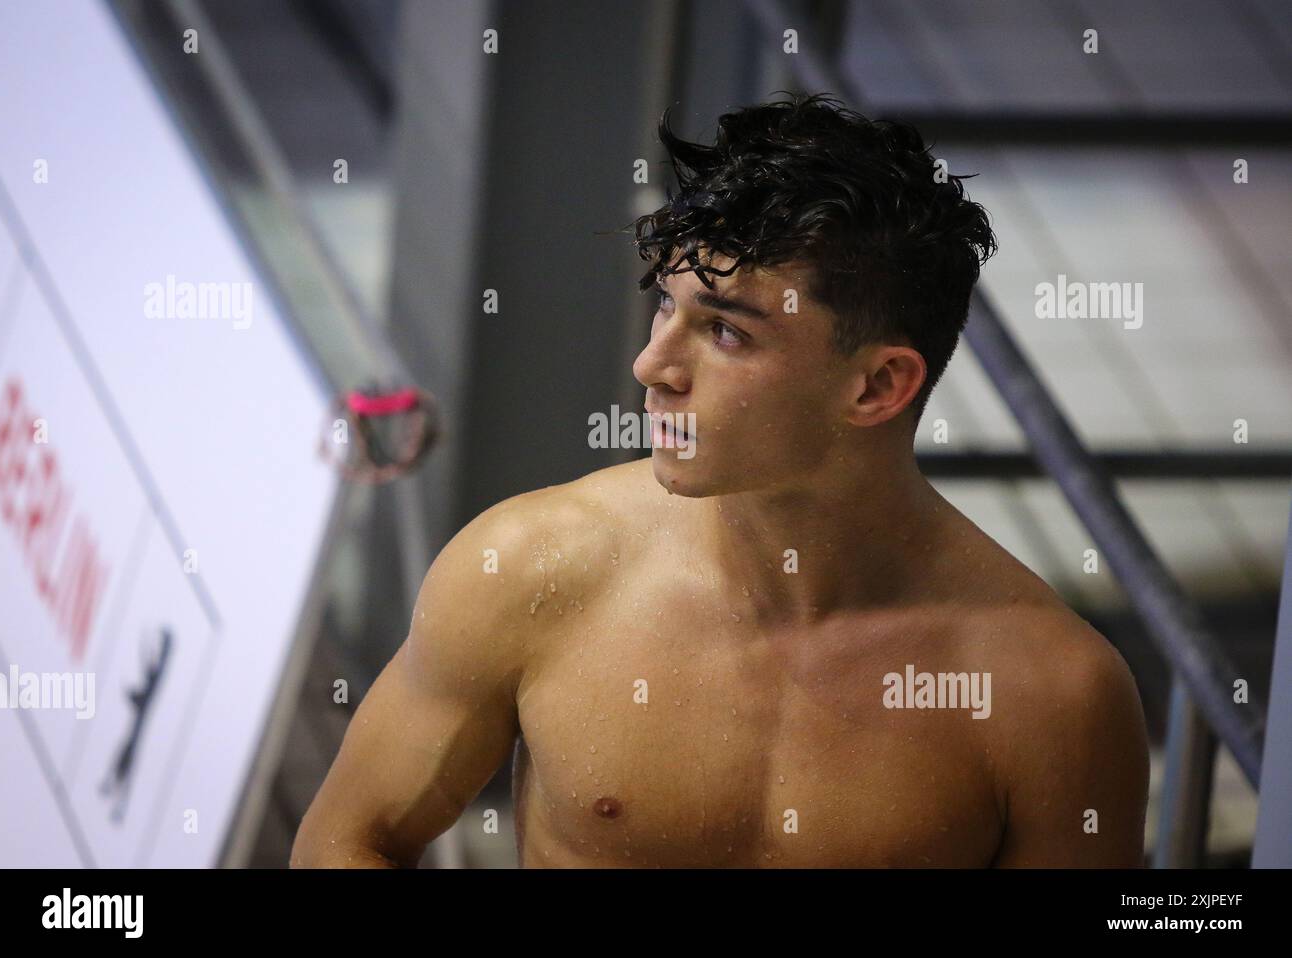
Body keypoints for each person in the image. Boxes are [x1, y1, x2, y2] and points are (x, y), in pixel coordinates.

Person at [291, 92, 1149, 868]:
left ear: (877, 385)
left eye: (727, 333)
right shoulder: (529, 570)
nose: (652, 364)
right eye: (667, 306)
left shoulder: (1049, 695)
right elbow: (344, 841)